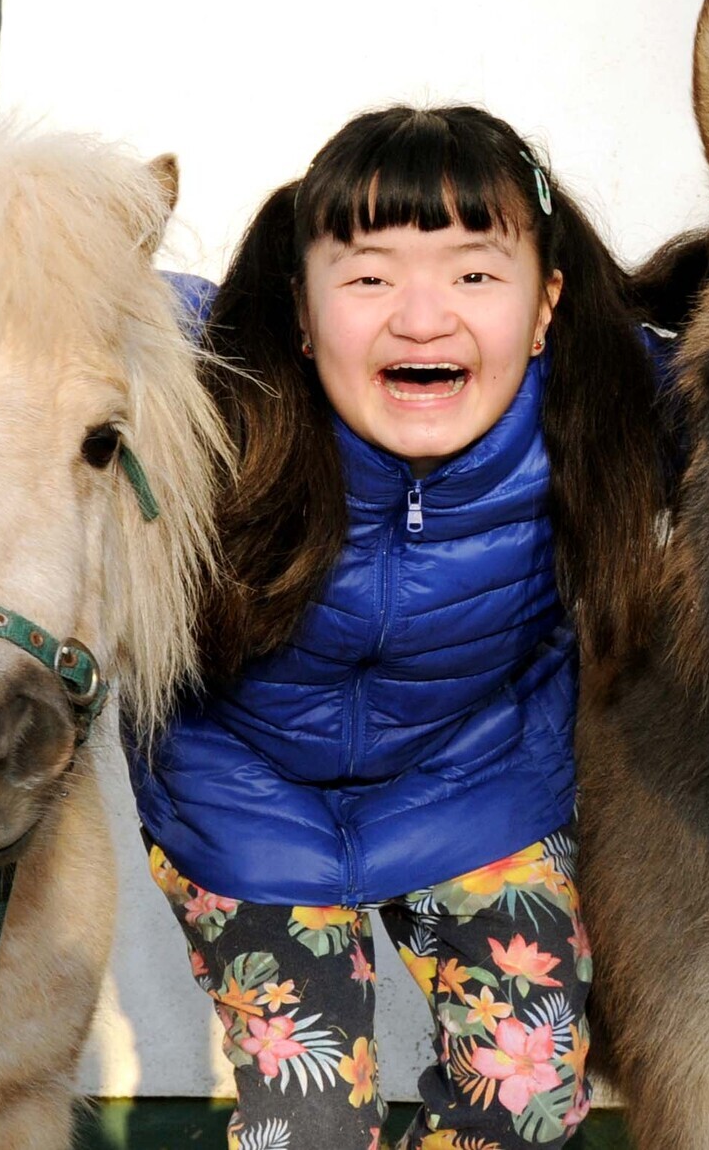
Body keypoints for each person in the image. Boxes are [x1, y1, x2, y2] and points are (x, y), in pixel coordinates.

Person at [133, 105, 674, 1149]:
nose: (422, 320)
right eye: (369, 278)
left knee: (523, 1100)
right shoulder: (209, 373)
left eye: (474, 274)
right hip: (243, 799)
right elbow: (12, 308)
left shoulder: (608, 397)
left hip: (473, 781)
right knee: (310, 1126)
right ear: (300, 311)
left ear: (545, 306)